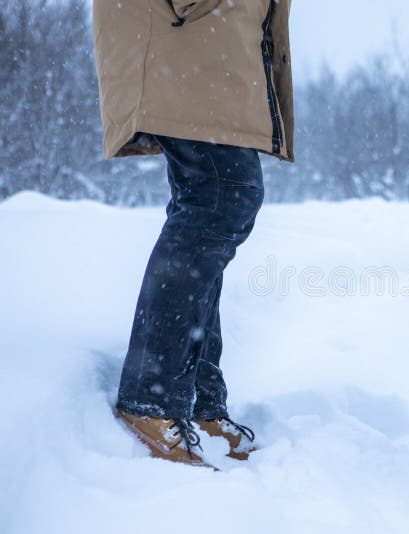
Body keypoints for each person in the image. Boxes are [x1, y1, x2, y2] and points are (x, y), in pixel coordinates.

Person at [92, 0, 293, 466]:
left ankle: (194, 400)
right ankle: (150, 397)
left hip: (202, 46)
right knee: (222, 198)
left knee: (213, 205)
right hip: (185, 39)